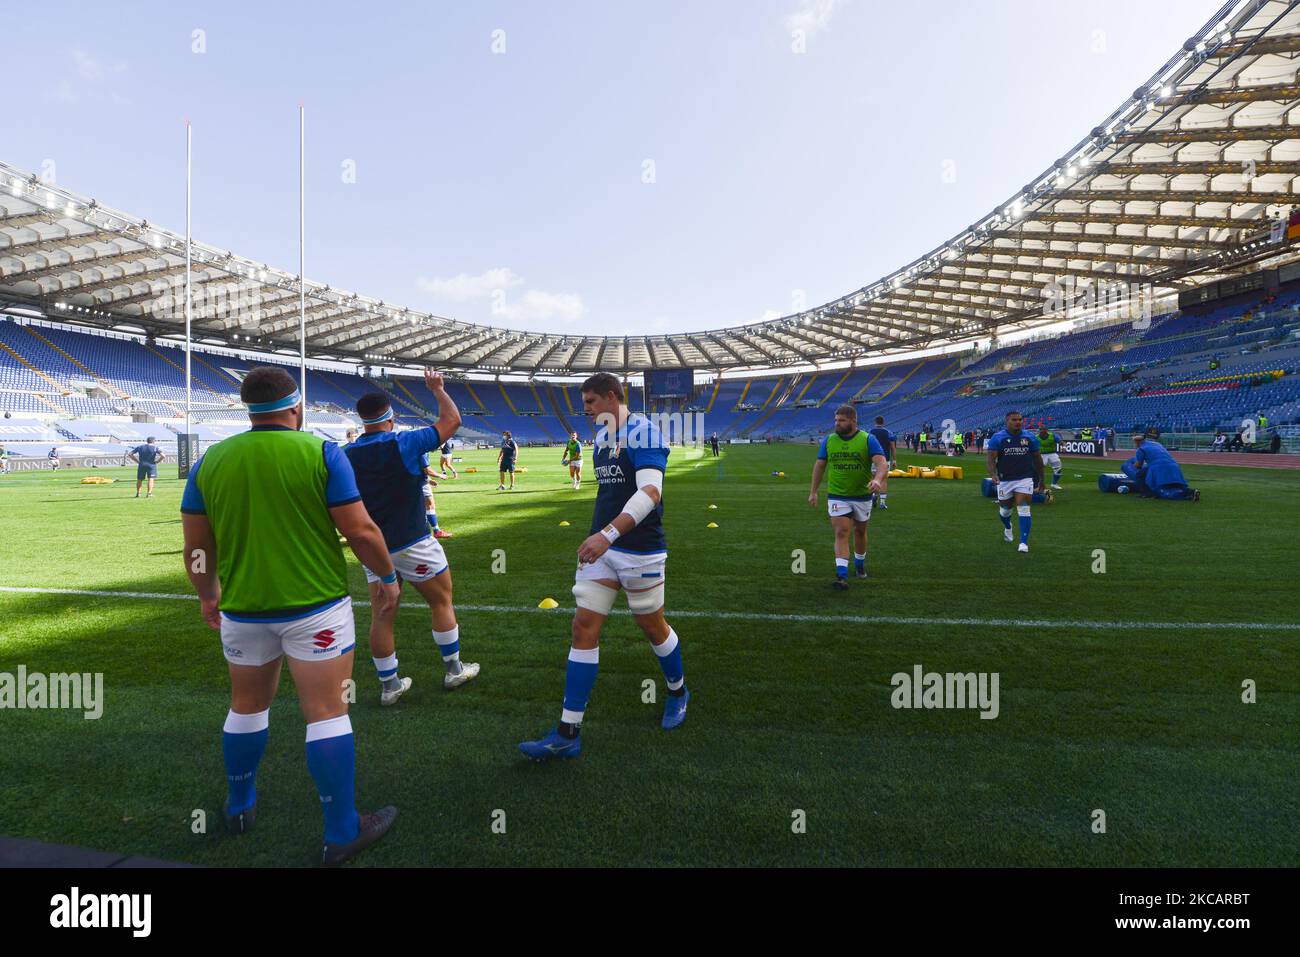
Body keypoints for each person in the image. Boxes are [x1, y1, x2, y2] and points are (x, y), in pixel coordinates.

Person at [180, 365, 400, 865]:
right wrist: (386, 577)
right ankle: (341, 830)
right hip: (315, 607)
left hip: (243, 610)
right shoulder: (321, 451)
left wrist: (206, 593)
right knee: (325, 713)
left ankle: (240, 806)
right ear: (295, 407)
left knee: (246, 706)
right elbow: (362, 531)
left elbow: (196, 547)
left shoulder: (211, 459)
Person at [519, 372, 687, 760]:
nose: (587, 411)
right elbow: (611, 492)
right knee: (583, 627)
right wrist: (598, 536)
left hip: (640, 551)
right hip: (602, 550)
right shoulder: (601, 438)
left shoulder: (644, 432)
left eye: (591, 403)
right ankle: (567, 732)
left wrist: (606, 535)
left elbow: (650, 493)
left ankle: (678, 691)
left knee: (652, 626)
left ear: (613, 397)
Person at [343, 373, 478, 706]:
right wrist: (437, 390)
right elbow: (452, 420)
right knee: (441, 602)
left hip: (374, 547)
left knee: (382, 616)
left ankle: (389, 686)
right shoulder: (404, 442)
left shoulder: (345, 453)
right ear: (391, 417)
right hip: (413, 540)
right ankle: (454, 669)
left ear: (362, 421)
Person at [809, 405, 888, 589]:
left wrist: (877, 480)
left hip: (862, 495)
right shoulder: (829, 440)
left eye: (841, 420)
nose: (837, 423)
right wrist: (813, 491)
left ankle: (859, 564)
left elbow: (882, 463)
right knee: (841, 532)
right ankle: (841, 575)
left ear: (853, 421)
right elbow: (820, 466)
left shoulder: (868, 439)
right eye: (836, 420)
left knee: (860, 532)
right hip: (838, 495)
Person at [986, 411, 1044, 553]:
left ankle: (1023, 543)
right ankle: (1008, 527)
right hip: (1005, 480)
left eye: (1020, 419)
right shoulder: (998, 438)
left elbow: (1038, 459)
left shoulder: (1030, 437)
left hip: (1024, 478)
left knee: (1023, 506)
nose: (1018, 422)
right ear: (1007, 421)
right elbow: (991, 459)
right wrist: (993, 474)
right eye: (1014, 420)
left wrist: (1042, 480)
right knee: (1005, 511)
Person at [1123, 431, 1200, 501]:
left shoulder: (1141, 449)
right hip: (1173, 465)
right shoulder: (1157, 444)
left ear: (1137, 441)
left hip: (1158, 466)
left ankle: (1147, 494)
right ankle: (1191, 492)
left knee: (1139, 475)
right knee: (1175, 483)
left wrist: (1133, 465)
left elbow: (1139, 465)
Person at [868, 415, 896, 510]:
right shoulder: (888, 432)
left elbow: (866, 446)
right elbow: (892, 447)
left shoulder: (871, 432)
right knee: (883, 480)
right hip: (885, 459)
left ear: (875, 422)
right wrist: (894, 460)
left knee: (873, 478)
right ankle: (882, 503)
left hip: (873, 459)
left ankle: (873, 496)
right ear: (883, 422)